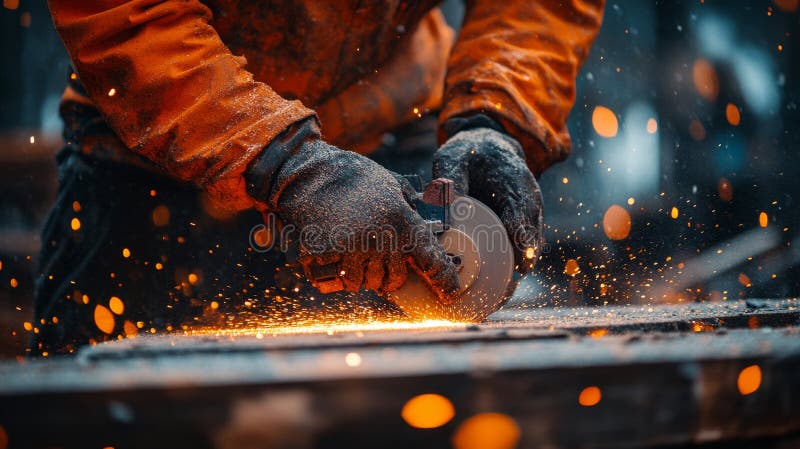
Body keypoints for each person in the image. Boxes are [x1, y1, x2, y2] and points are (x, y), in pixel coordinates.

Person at [33, 0, 605, 355]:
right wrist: (281, 159)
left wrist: (495, 115)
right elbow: (125, 12)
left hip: (386, 114)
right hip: (161, 134)